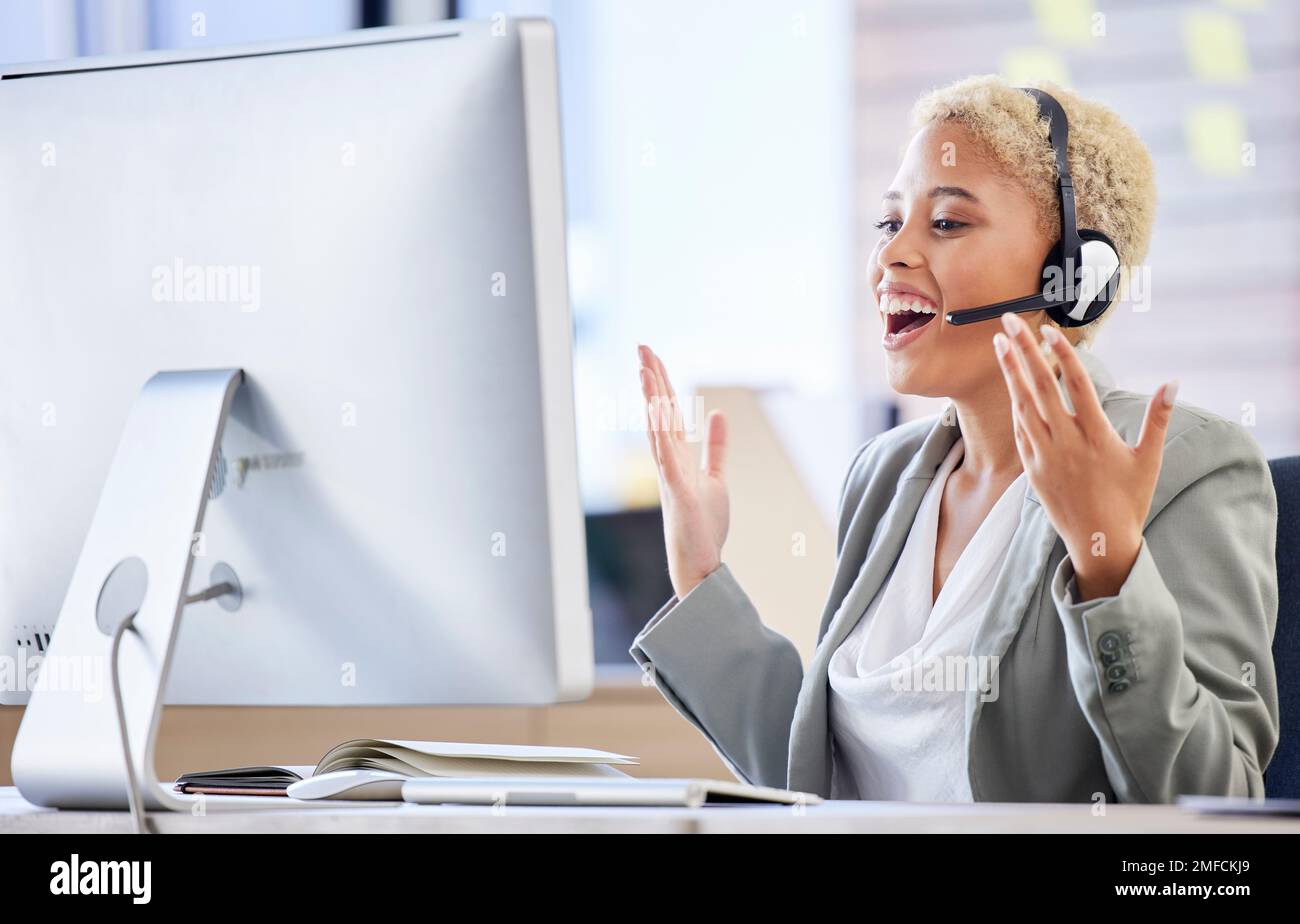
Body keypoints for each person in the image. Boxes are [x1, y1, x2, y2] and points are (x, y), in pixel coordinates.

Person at [629, 75, 1280, 803]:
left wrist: (1111, 566)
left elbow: (1219, 800)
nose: (891, 257)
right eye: (889, 224)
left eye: (946, 224)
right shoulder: (884, 475)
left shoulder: (1183, 465)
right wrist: (698, 575)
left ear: (1070, 275)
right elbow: (823, 781)